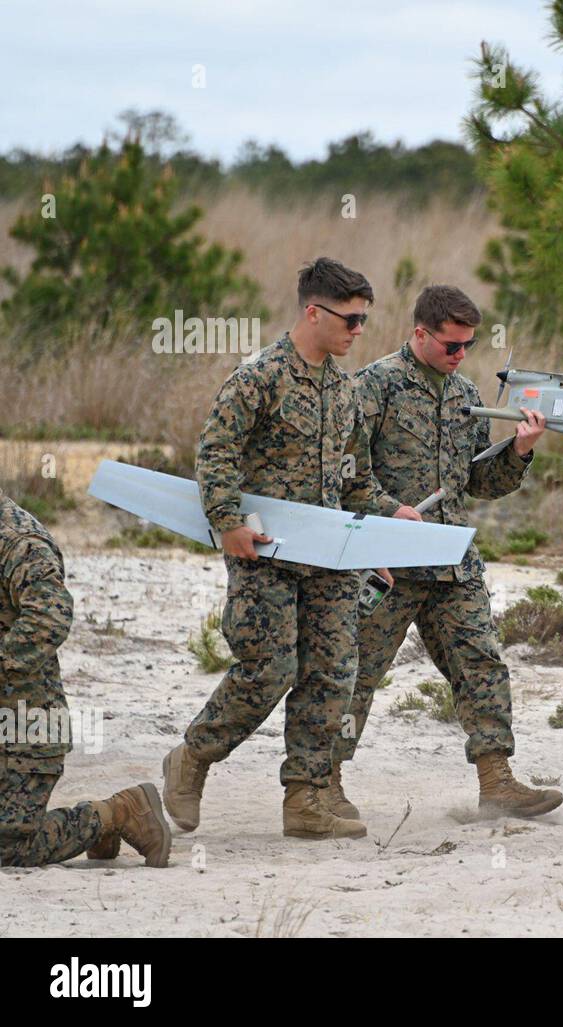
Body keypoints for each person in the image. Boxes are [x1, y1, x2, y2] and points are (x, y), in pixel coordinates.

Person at [161, 257, 420, 840]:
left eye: (363, 321)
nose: (359, 331)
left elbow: (355, 480)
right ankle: (192, 759)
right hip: (265, 554)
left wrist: (376, 531)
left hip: (330, 556)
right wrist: (227, 520)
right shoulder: (261, 376)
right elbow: (215, 450)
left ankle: (305, 799)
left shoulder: (345, 390)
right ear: (314, 312)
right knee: (269, 668)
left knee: (332, 673)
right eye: (350, 320)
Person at [335, 284, 562, 819]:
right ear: (420, 333)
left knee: (481, 665)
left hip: (450, 564)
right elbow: (343, 472)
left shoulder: (464, 396)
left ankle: (497, 782)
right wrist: (390, 508)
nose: (460, 355)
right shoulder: (375, 386)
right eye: (450, 345)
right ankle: (320, 786)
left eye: (468, 346)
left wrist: (520, 449)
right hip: (385, 563)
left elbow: (478, 482)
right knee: (353, 675)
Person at [1, 489, 170, 868]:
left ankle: (115, 814)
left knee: (8, 848)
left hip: (22, 731)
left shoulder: (19, 541)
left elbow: (48, 618)